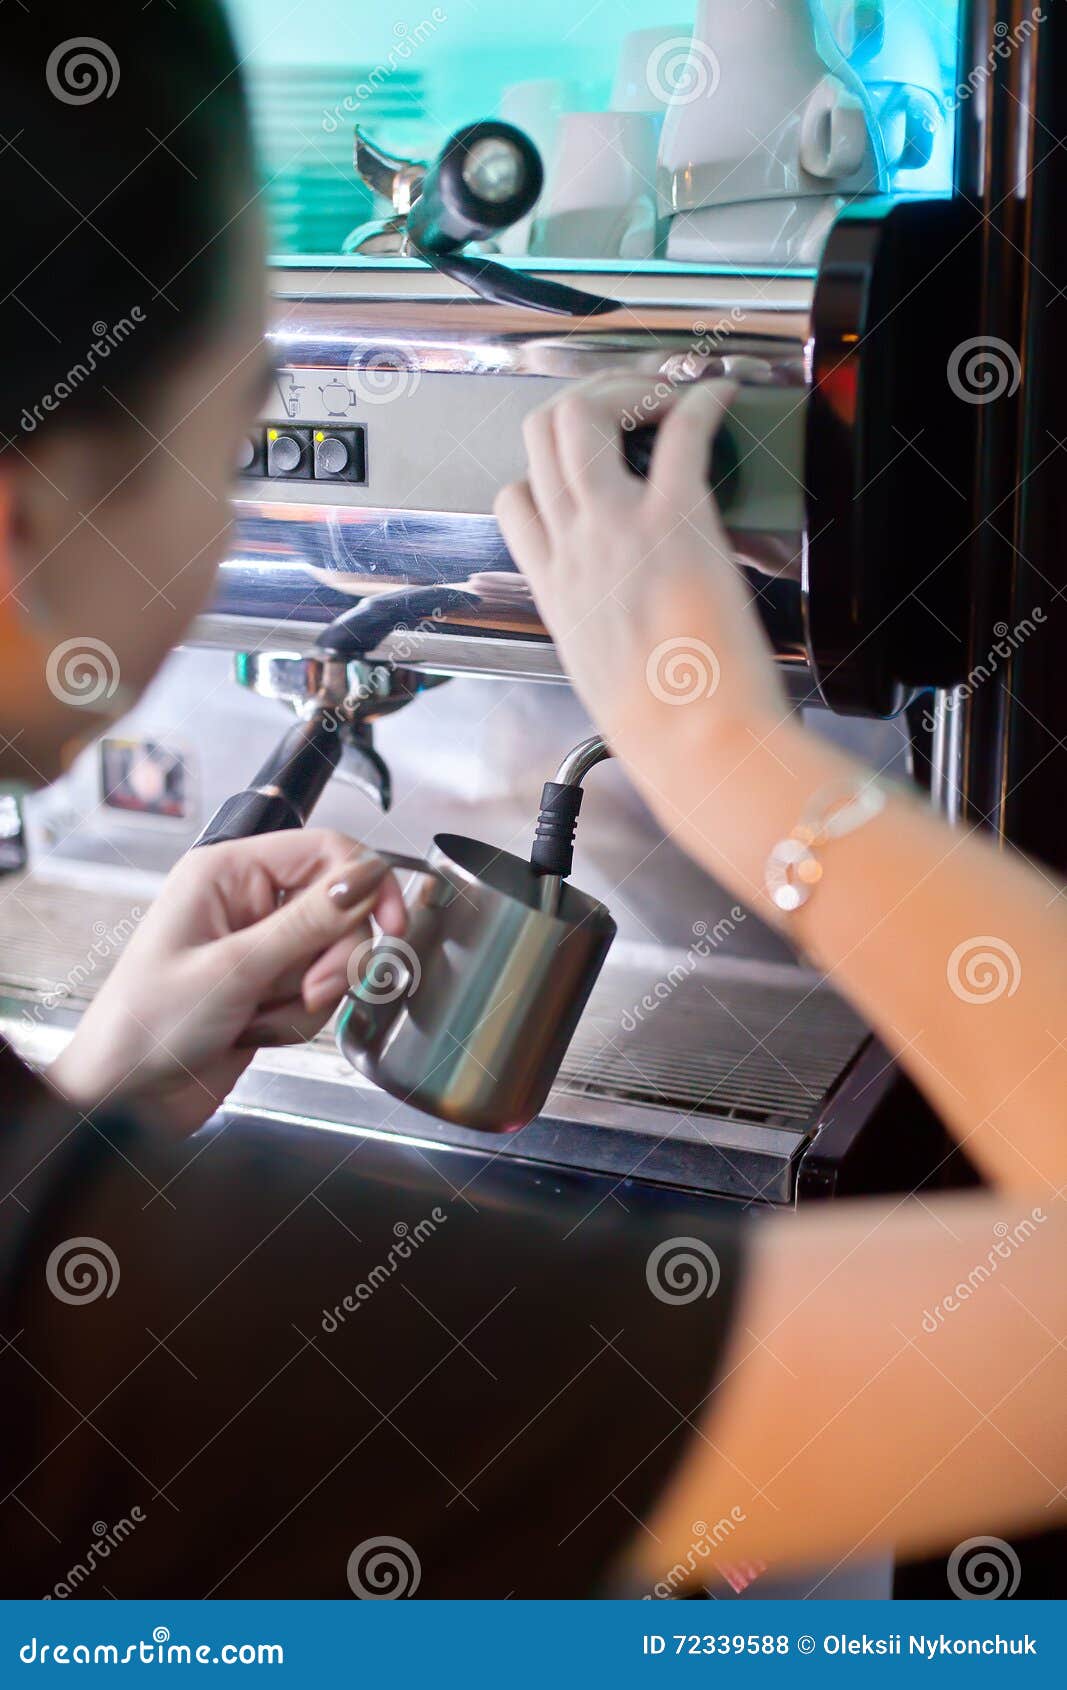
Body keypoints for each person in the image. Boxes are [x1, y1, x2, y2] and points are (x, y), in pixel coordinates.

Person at [0, 2, 1061, 1601]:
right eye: (240, 428)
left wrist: (97, 1099)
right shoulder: (185, 1327)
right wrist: (732, 760)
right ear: (21, 533)